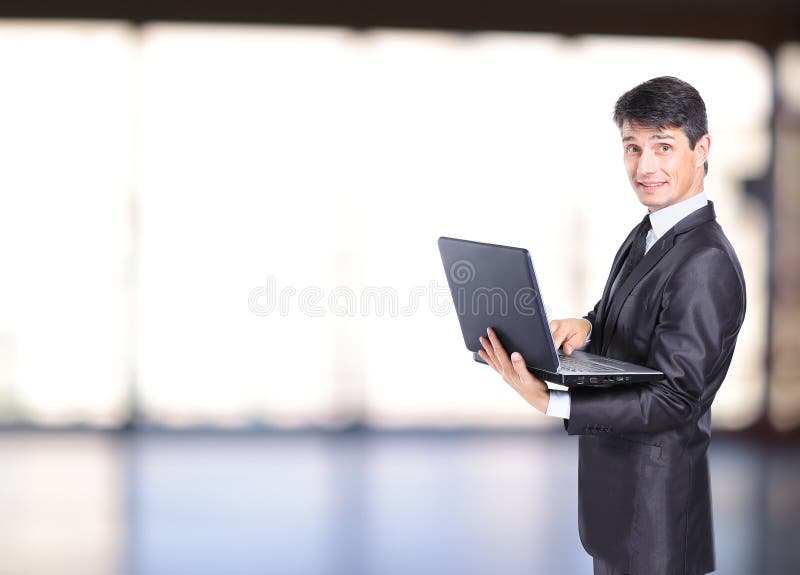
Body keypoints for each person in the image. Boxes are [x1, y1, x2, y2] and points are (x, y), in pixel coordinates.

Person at [477, 76, 746, 575]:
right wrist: (585, 325)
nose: (645, 167)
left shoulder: (704, 261)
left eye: (663, 147)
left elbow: (676, 400)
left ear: (701, 148)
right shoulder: (649, 232)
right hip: (617, 502)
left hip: (659, 515)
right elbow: (619, 314)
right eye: (632, 148)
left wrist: (552, 400)